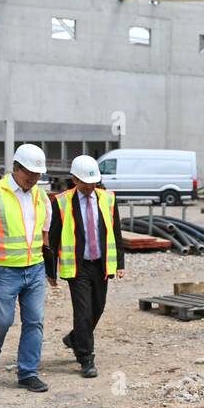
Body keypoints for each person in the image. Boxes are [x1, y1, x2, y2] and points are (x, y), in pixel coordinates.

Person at [0, 144, 54, 392]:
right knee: (3, 320)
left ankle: (28, 372)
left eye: (38, 174)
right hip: (4, 270)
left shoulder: (41, 195)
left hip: (35, 269)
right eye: (29, 173)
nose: (34, 178)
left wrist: (49, 267)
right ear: (16, 168)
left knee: (35, 321)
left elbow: (45, 233)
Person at [52, 155, 125, 379]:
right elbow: (53, 237)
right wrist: (50, 269)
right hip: (77, 265)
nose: (90, 186)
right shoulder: (62, 202)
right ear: (74, 179)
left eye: (93, 182)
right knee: (83, 312)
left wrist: (120, 263)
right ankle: (85, 357)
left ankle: (75, 338)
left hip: (101, 264)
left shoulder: (108, 199)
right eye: (85, 182)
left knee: (98, 308)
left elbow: (116, 232)